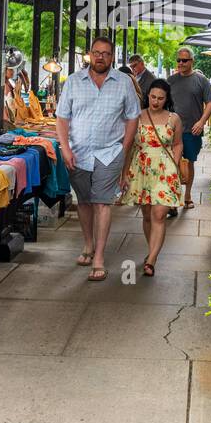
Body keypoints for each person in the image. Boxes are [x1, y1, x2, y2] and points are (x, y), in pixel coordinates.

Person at [56, 36, 141, 282]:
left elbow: (133, 117)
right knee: (84, 201)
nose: (100, 56)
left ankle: (100, 257)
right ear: (89, 55)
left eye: (105, 53)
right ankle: (87, 244)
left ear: (112, 57)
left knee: (102, 203)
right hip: (78, 152)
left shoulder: (124, 82)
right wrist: (64, 148)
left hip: (110, 152)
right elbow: (62, 118)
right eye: (96, 52)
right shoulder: (73, 82)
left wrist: (124, 148)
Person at [120, 78, 183, 277]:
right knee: (147, 216)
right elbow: (128, 146)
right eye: (153, 97)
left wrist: (175, 162)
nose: (156, 101)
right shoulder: (136, 117)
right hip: (141, 169)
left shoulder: (174, 118)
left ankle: (152, 259)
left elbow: (178, 143)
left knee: (159, 215)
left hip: (165, 169)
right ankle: (151, 250)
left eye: (160, 98)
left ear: (167, 99)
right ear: (148, 96)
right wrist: (123, 173)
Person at [166, 46, 211, 212]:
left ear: (191, 61)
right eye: (179, 60)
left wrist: (202, 122)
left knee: (188, 164)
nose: (181, 63)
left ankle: (187, 196)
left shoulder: (201, 80)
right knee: (172, 164)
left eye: (184, 60)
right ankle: (173, 199)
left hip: (191, 130)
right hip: (171, 131)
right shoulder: (171, 81)